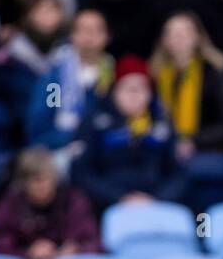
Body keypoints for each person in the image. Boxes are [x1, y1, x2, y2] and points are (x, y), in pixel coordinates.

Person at [71, 56, 180, 211]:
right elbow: (81, 173)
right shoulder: (95, 122)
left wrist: (156, 199)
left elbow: (179, 173)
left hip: (158, 206)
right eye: (127, 88)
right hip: (108, 206)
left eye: (141, 88)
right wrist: (120, 198)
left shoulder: (162, 123)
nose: (134, 95)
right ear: (114, 91)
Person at [149, 10, 223, 158]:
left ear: (198, 37)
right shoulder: (156, 74)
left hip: (207, 147)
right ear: (164, 40)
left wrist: (193, 142)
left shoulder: (215, 71)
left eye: (185, 31)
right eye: (172, 32)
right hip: (166, 146)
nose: (178, 37)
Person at [0, 147, 101, 259]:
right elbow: (1, 245)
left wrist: (75, 249)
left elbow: (92, 242)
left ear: (55, 179)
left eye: (46, 179)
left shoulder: (73, 201)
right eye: (35, 180)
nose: (41, 186)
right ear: (23, 182)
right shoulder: (10, 205)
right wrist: (27, 252)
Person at [25, 8, 113, 151]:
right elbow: (40, 125)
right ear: (72, 35)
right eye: (83, 29)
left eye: (97, 30)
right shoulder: (55, 79)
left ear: (107, 36)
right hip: (60, 149)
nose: (90, 35)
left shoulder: (114, 74)